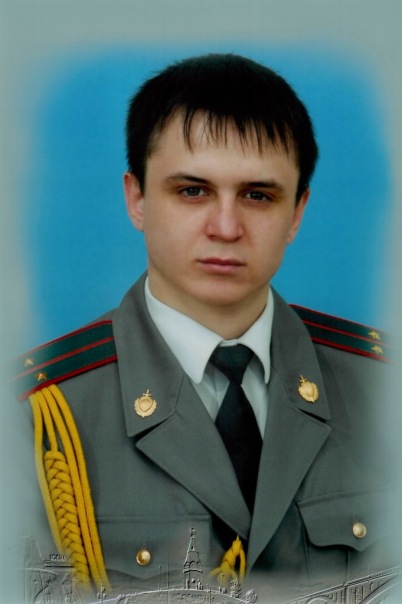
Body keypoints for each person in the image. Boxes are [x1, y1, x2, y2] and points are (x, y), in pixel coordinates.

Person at [13, 54, 396, 602]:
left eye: (258, 195)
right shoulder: (32, 416)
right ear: (137, 198)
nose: (226, 227)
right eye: (192, 191)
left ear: (297, 212)